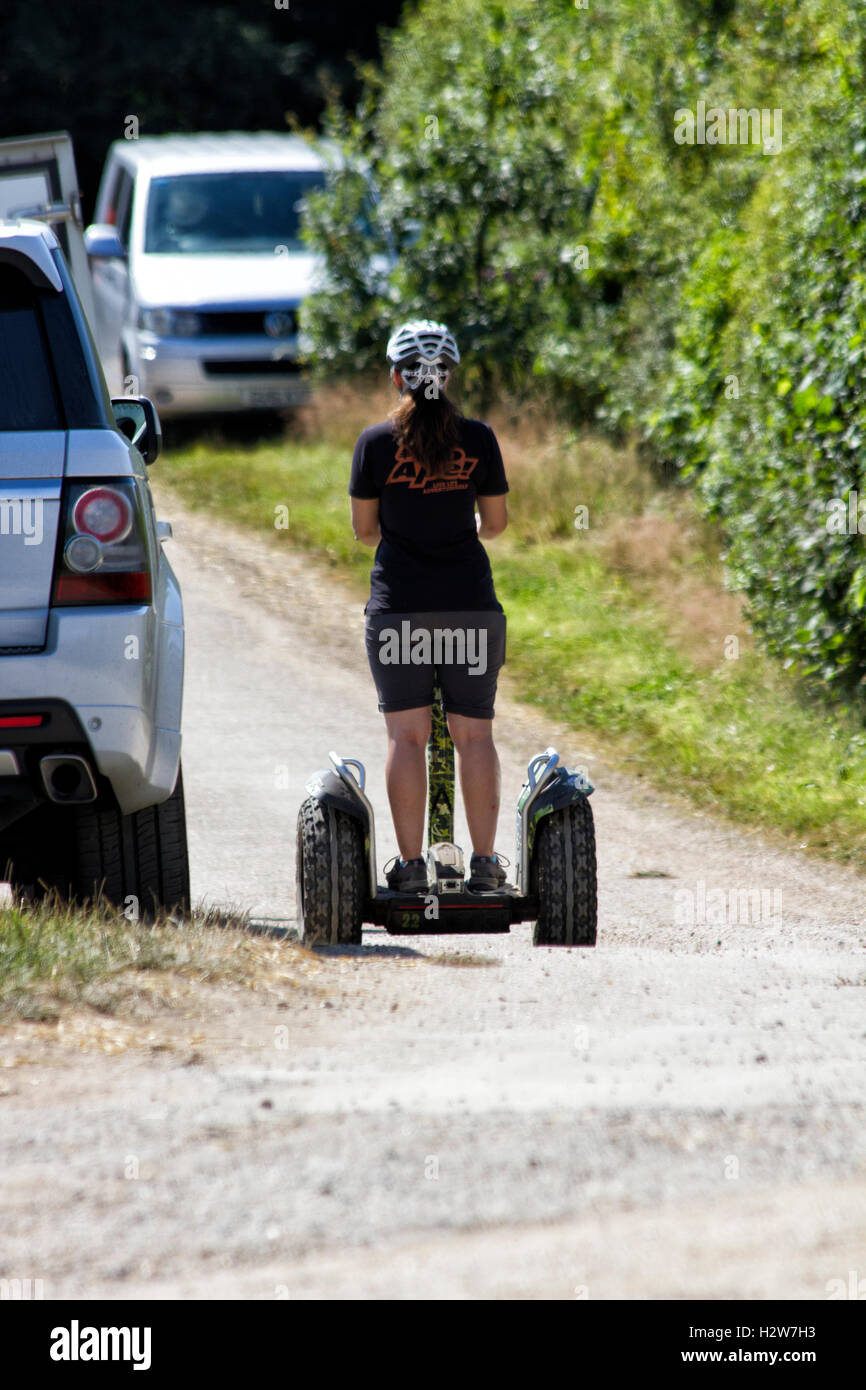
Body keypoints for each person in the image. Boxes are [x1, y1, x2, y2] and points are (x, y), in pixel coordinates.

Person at [349, 319, 510, 893]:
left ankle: (413, 867)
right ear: (449, 376)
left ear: (397, 378)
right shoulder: (480, 439)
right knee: (474, 737)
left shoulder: (373, 444)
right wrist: (454, 521)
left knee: (407, 738)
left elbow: (365, 532)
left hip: (400, 613)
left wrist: (406, 523)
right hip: (470, 607)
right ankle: (487, 865)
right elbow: (494, 524)